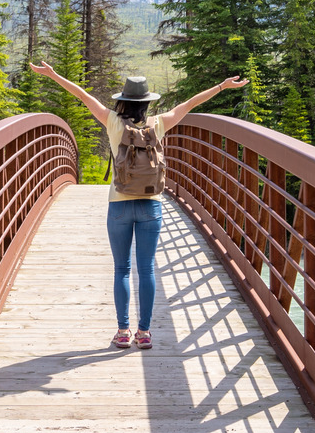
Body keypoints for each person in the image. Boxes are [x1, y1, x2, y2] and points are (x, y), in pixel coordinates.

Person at [28, 64, 247, 349]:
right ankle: (144, 333)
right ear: (147, 103)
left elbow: (83, 96)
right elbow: (190, 103)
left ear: (123, 101)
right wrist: (221, 86)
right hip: (151, 206)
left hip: (119, 204)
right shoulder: (159, 123)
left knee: (122, 269)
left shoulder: (113, 122)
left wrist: (54, 75)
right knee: (146, 270)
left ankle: (123, 332)